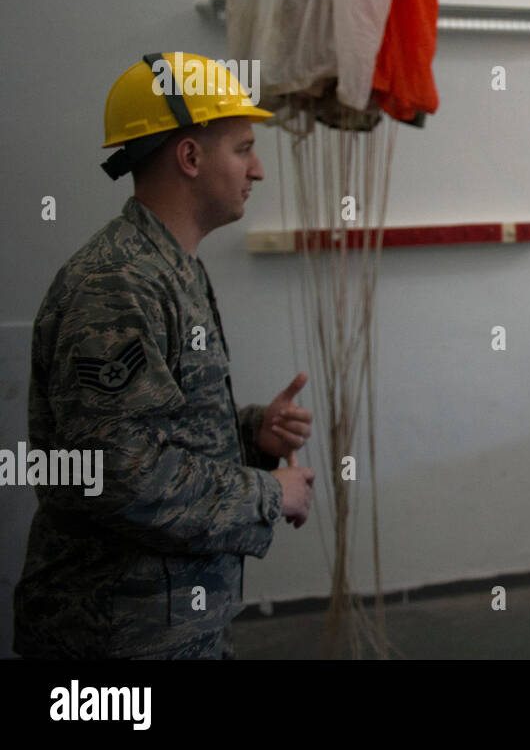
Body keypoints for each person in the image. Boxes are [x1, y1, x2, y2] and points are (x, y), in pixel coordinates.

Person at [14, 52, 316, 659]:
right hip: (117, 635)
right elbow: (118, 475)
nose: (257, 170)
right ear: (190, 157)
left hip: (172, 622)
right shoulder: (119, 283)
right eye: (243, 148)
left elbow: (157, 433)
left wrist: (252, 430)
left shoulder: (168, 270)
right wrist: (268, 492)